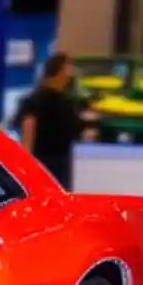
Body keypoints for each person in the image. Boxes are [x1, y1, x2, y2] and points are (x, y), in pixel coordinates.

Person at [14, 53, 86, 190]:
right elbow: (28, 130)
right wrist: (26, 162)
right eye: (68, 67)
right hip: (42, 162)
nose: (71, 73)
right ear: (59, 71)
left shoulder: (67, 102)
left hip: (62, 161)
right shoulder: (36, 101)